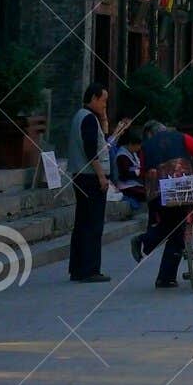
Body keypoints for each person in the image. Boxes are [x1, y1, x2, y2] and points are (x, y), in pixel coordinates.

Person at [131, 120, 193, 288]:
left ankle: (165, 276)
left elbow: (142, 171)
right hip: (179, 189)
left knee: (172, 226)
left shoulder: (146, 146)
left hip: (157, 193)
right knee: (177, 228)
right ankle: (144, 242)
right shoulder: (180, 138)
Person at [67, 84, 122, 282]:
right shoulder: (88, 119)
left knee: (82, 222)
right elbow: (92, 152)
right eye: (104, 100)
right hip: (90, 177)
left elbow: (102, 142)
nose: (105, 104)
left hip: (80, 175)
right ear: (94, 98)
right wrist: (101, 176)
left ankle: (77, 268)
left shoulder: (82, 116)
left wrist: (105, 119)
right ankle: (89, 269)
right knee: (92, 224)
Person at [112, 130, 147, 214]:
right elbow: (125, 173)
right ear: (131, 144)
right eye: (138, 145)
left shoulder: (133, 153)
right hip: (126, 186)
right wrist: (138, 172)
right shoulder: (122, 156)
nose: (139, 148)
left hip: (135, 183)